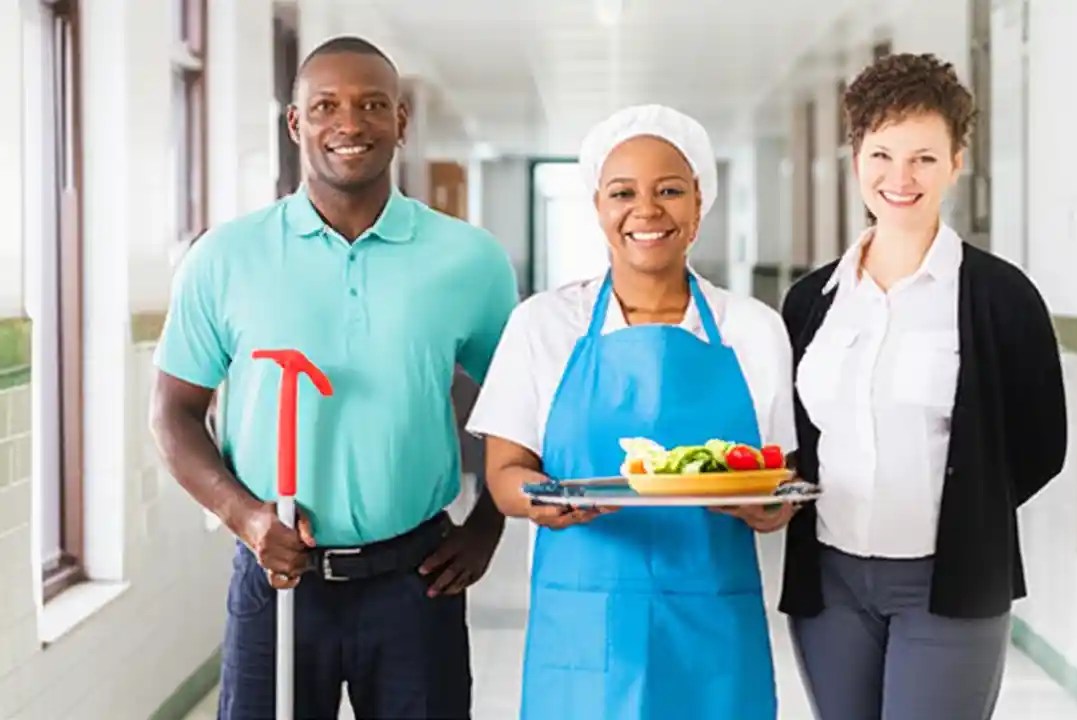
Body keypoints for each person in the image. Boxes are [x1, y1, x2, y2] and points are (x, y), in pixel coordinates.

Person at [149, 36, 518, 719]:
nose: (350, 124)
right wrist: (246, 516)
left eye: (373, 104)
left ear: (401, 120)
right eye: (326, 106)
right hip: (277, 578)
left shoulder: (469, 260)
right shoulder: (225, 258)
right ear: (295, 124)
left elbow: (525, 406)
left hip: (416, 583)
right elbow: (173, 414)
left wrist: (487, 527)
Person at [466, 104, 797, 720]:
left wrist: (764, 507)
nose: (647, 211)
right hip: (584, 623)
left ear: (699, 204)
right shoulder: (543, 324)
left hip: (711, 620)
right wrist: (546, 498)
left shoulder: (753, 330)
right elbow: (505, 472)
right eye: (623, 192)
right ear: (598, 207)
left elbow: (779, 484)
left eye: (670, 191)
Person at [778, 53, 1067, 719]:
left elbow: (1039, 446)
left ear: (957, 162)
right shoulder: (812, 299)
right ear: (855, 157)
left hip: (951, 582)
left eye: (924, 158)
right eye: (881, 154)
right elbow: (794, 433)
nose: (899, 178)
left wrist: (965, 509)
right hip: (830, 583)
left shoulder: (1001, 296)